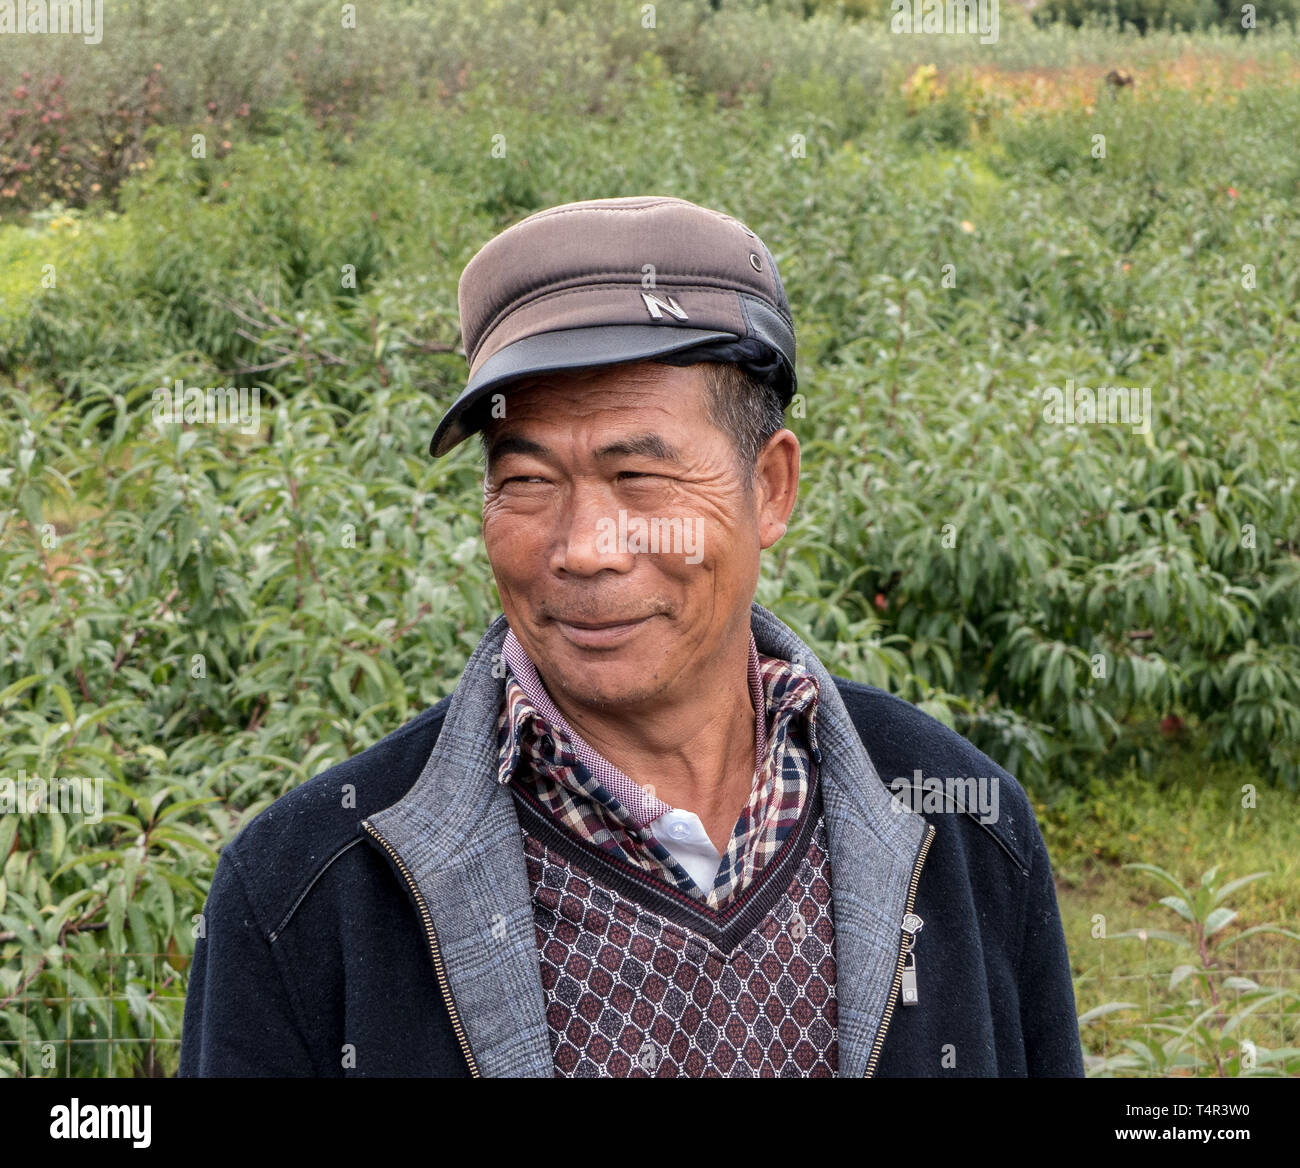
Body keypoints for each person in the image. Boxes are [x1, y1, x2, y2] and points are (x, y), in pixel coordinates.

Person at [180, 195, 1084, 1077]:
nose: (584, 550)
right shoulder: (301, 895)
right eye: (527, 481)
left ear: (769, 488)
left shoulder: (964, 823)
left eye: (641, 474)